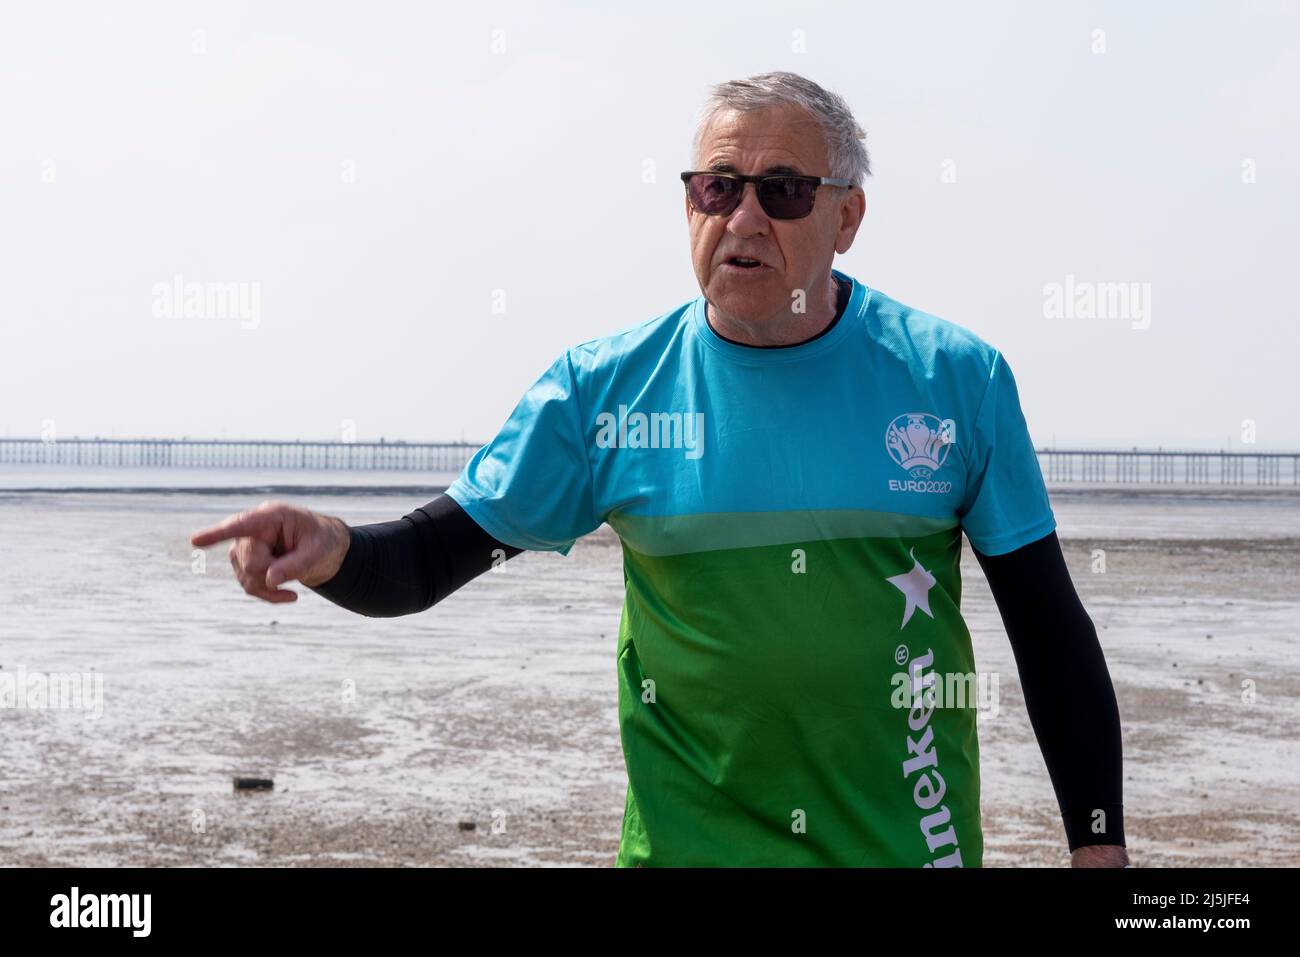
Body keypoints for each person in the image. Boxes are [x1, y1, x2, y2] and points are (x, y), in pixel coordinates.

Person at [191, 71, 1128, 868]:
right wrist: (326, 549)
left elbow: (1047, 631)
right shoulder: (603, 394)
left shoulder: (954, 379)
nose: (744, 215)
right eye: (717, 187)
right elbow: (426, 561)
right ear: (689, 205)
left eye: (784, 191)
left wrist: (1099, 845)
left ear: (847, 218)